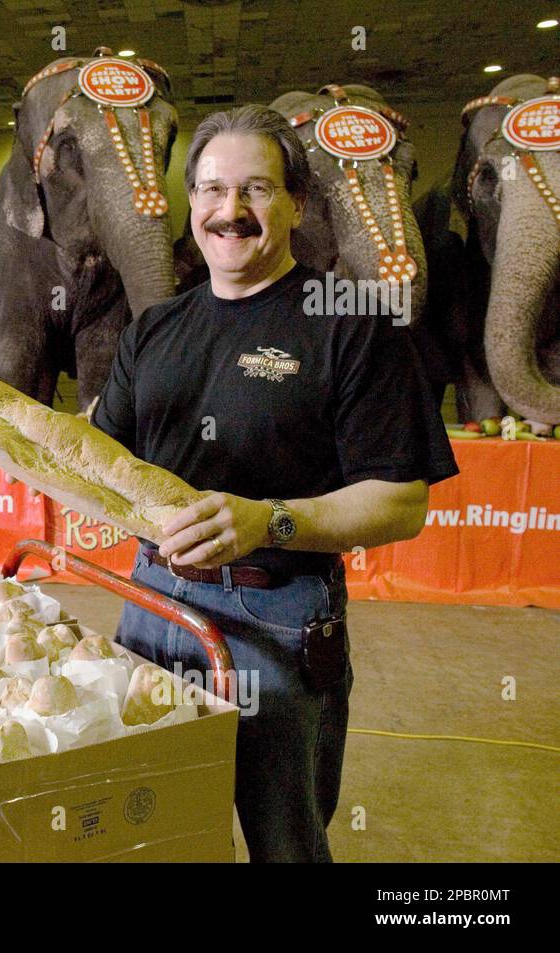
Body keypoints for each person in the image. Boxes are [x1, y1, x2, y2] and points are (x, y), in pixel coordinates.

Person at [90, 105, 458, 862]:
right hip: (149, 605)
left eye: (256, 190)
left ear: (295, 201)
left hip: (276, 619)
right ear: (189, 201)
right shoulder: (154, 328)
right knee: (149, 828)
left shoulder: (352, 323)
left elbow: (402, 500)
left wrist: (270, 521)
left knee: (284, 842)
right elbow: (98, 459)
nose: (231, 212)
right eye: (213, 190)